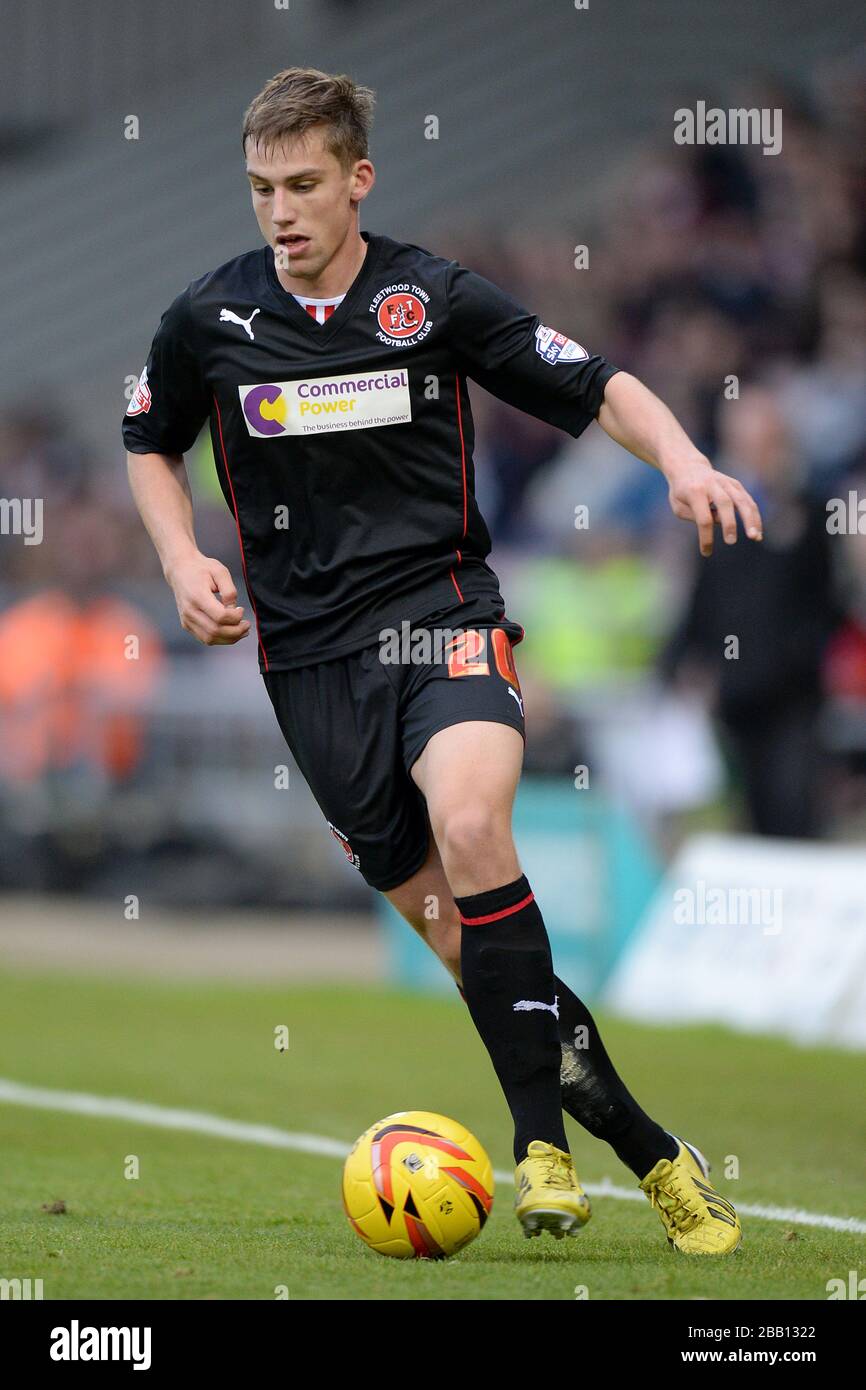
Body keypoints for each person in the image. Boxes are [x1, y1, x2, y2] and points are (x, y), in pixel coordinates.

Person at [124, 67, 762, 1253]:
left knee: (475, 831)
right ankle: (653, 1153)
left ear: (357, 179)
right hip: (311, 668)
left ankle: (537, 1151)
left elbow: (595, 381)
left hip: (442, 612)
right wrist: (177, 560)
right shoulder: (204, 320)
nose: (281, 209)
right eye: (262, 188)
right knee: (472, 953)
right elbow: (148, 443)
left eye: (304, 183)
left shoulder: (431, 297)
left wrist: (680, 459)